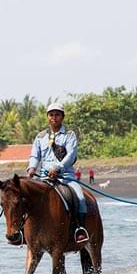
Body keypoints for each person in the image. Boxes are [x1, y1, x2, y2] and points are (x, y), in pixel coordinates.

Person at [27, 102, 89, 243]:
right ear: (47, 117)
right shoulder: (40, 136)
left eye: (57, 115)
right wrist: (31, 168)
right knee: (25, 199)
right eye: (51, 115)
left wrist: (57, 168)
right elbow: (35, 156)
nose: (54, 117)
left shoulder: (69, 135)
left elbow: (71, 155)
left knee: (80, 198)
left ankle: (79, 229)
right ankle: (24, 232)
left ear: (62, 117)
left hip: (65, 177)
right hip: (43, 177)